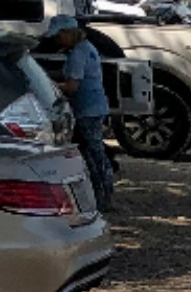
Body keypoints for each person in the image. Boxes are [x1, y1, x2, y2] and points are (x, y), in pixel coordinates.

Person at [47, 15, 115, 213]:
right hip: (95, 106)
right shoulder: (88, 48)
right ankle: (104, 194)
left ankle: (102, 197)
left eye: (59, 36)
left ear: (68, 33)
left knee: (94, 155)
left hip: (86, 109)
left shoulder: (78, 53)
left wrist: (47, 85)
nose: (58, 41)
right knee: (96, 153)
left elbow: (71, 86)